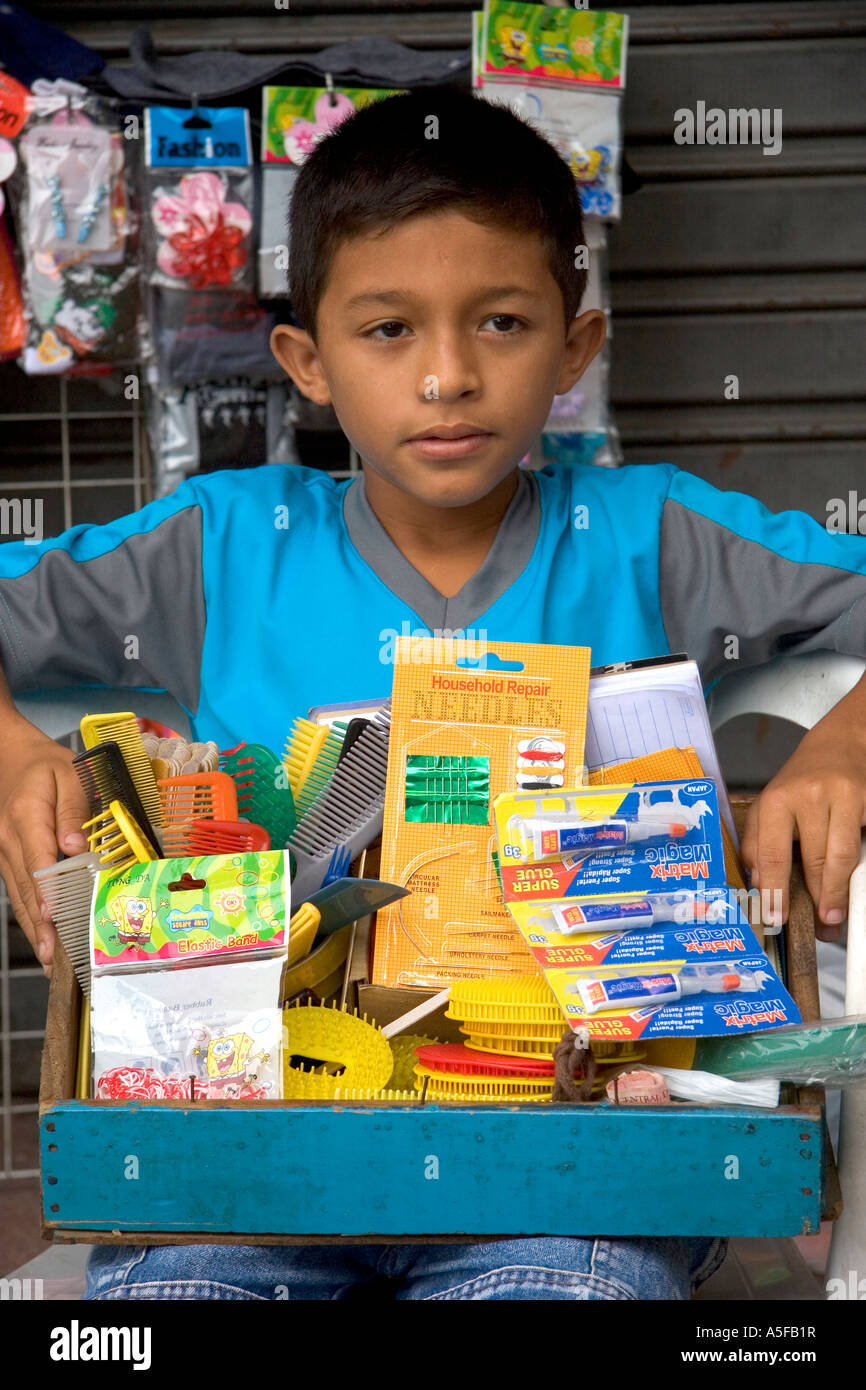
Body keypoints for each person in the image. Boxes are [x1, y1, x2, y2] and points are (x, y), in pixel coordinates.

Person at [0, 85, 864, 1300]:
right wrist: (8, 752)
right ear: (305, 361)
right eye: (388, 329)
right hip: (247, 1168)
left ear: (576, 347)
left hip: (577, 1177)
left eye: (501, 323)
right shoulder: (221, 546)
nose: (448, 376)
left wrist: (841, 747)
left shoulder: (648, 533)